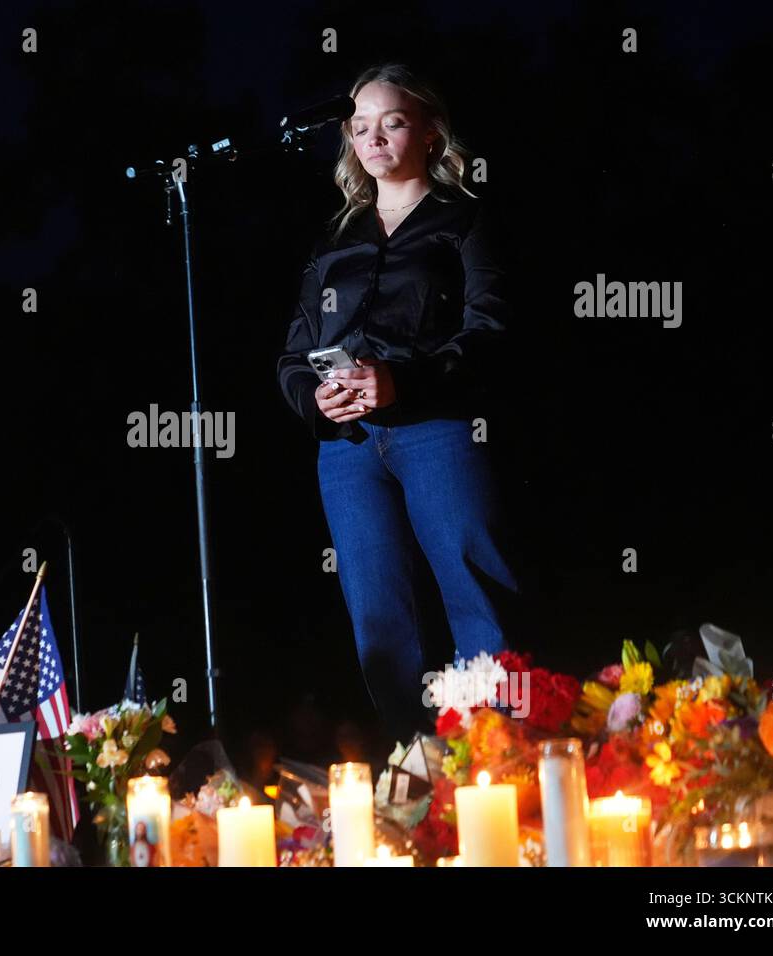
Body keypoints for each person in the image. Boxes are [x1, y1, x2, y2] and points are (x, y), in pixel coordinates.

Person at [277, 63, 522, 741]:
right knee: (379, 619)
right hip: (348, 450)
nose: (374, 137)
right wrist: (313, 399)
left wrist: (405, 381)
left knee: (475, 591)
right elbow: (293, 355)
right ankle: (419, 768)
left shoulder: (465, 219)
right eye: (360, 127)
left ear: (430, 133)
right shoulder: (335, 240)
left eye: (392, 121)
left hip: (437, 431)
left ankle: (500, 757)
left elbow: (492, 330)